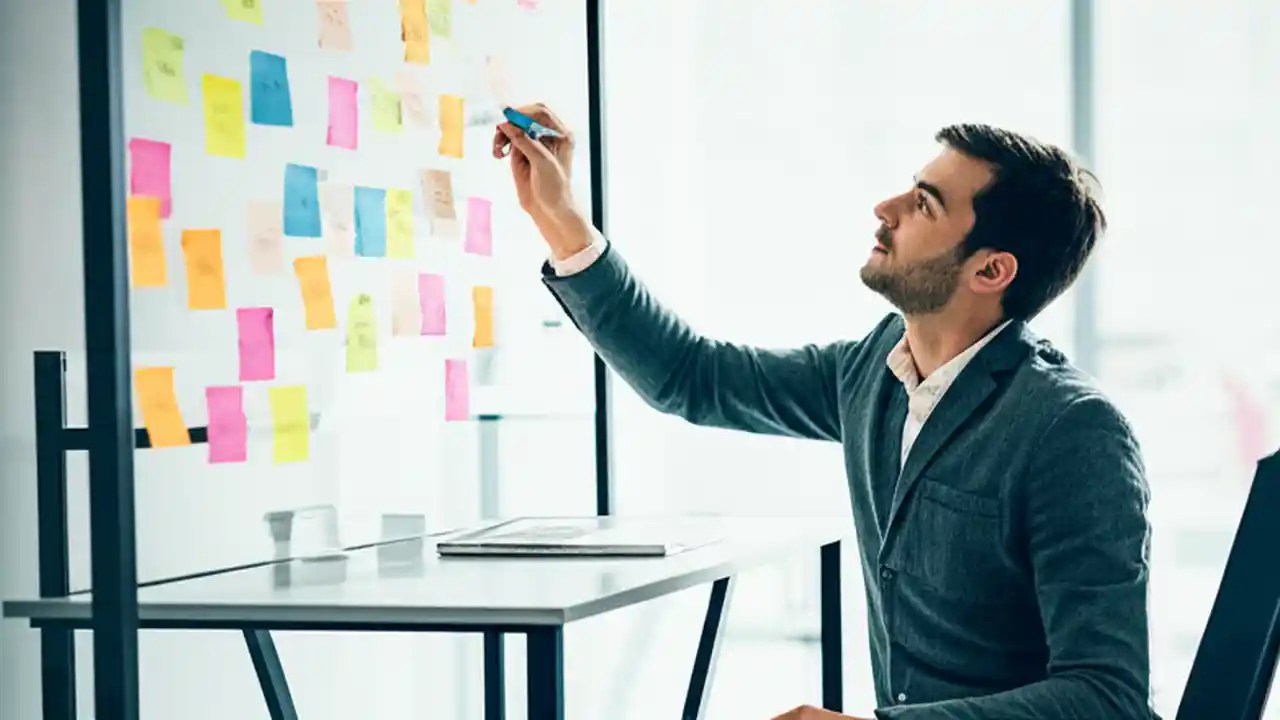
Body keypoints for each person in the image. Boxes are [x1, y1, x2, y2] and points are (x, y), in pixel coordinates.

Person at [493, 105, 1156, 720]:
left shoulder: (1072, 429)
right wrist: (559, 217)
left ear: (990, 271)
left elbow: (1106, 694)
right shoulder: (872, 370)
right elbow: (690, 377)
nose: (885, 208)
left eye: (922, 204)